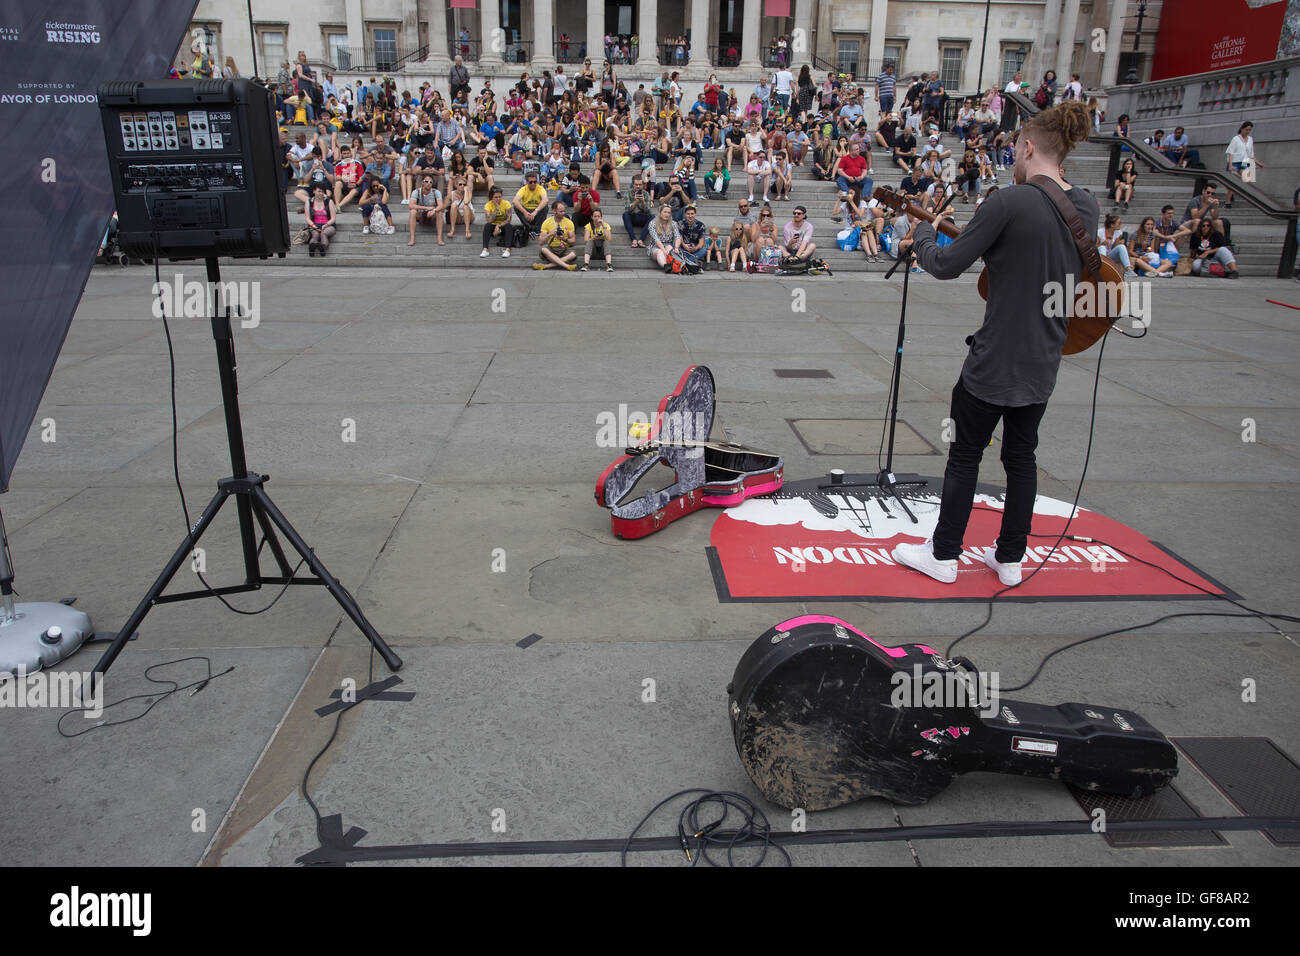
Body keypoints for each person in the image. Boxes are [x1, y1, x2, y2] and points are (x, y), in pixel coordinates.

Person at [891, 101, 1098, 587]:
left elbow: (944, 265)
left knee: (965, 455)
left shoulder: (1007, 201)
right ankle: (1010, 559)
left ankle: (943, 556)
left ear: (1028, 147)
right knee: (1021, 458)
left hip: (994, 359)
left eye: (1016, 152)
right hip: (1045, 359)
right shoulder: (1085, 205)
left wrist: (922, 230)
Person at [534, 200, 578, 270]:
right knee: (544, 249)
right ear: (554, 211)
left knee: (573, 254)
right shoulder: (547, 222)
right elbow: (540, 242)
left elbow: (573, 241)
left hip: (564, 248)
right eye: (561, 211)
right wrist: (550, 234)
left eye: (564, 211)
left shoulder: (569, 222)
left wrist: (564, 238)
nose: (563, 213)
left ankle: (546, 266)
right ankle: (567, 266)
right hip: (551, 248)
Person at [1224, 121, 1259, 207]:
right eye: (1246, 129)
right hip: (1235, 161)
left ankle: (1250, 200)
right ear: (1242, 129)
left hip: (1246, 161)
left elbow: (1251, 154)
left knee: (1248, 181)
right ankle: (1227, 202)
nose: (1247, 132)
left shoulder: (1250, 139)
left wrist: (1258, 163)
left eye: (1249, 130)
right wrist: (1231, 164)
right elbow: (1230, 152)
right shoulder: (1236, 138)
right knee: (1233, 181)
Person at [408, 175, 445, 246]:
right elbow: (411, 205)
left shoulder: (436, 192)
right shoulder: (416, 192)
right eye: (426, 181)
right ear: (422, 182)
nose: (428, 183)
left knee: (439, 213)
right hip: (421, 214)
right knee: (413, 212)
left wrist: (434, 210)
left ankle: (439, 238)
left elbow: (441, 205)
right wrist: (426, 208)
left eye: (431, 182)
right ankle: (412, 238)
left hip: (432, 214)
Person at [647, 203, 683, 270]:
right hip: (655, 246)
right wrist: (664, 250)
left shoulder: (673, 223)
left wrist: (676, 248)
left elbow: (678, 236)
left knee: (670, 248)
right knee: (660, 252)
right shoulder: (652, 223)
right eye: (665, 212)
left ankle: (676, 266)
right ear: (660, 213)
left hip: (668, 245)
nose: (667, 214)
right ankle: (666, 267)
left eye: (669, 213)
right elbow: (656, 239)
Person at [480, 185, 514, 258]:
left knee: (509, 226)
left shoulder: (506, 203)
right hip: (492, 227)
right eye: (496, 197)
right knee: (487, 226)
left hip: (502, 226)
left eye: (499, 197)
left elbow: (509, 220)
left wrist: (498, 226)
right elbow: (489, 220)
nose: (498, 199)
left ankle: (508, 250)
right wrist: (496, 209)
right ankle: (485, 250)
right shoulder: (488, 205)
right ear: (491, 197)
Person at [305, 182, 337, 257]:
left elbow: (333, 218)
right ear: (314, 191)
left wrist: (326, 225)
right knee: (315, 234)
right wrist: (314, 226)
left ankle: (323, 248)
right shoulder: (309, 202)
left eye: (322, 191)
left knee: (323, 233)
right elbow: (307, 218)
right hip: (314, 224)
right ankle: (311, 248)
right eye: (319, 191)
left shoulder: (329, 201)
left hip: (328, 224)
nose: (321, 193)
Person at [513, 168, 548, 235]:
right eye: (531, 182)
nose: (533, 184)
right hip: (527, 212)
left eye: (535, 182)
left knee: (545, 206)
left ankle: (538, 229)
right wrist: (525, 212)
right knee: (516, 206)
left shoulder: (540, 188)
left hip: (537, 212)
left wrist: (535, 211)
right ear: (526, 182)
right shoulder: (523, 189)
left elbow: (545, 200)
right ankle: (528, 227)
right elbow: (515, 201)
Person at [623, 174, 654, 246]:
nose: (638, 186)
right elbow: (627, 209)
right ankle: (633, 240)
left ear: (643, 185)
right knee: (625, 214)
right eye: (636, 184)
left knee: (652, 216)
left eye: (640, 184)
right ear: (633, 184)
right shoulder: (628, 193)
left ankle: (641, 240)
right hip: (632, 217)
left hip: (642, 217)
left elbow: (648, 211)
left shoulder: (646, 194)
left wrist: (643, 201)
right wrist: (635, 201)